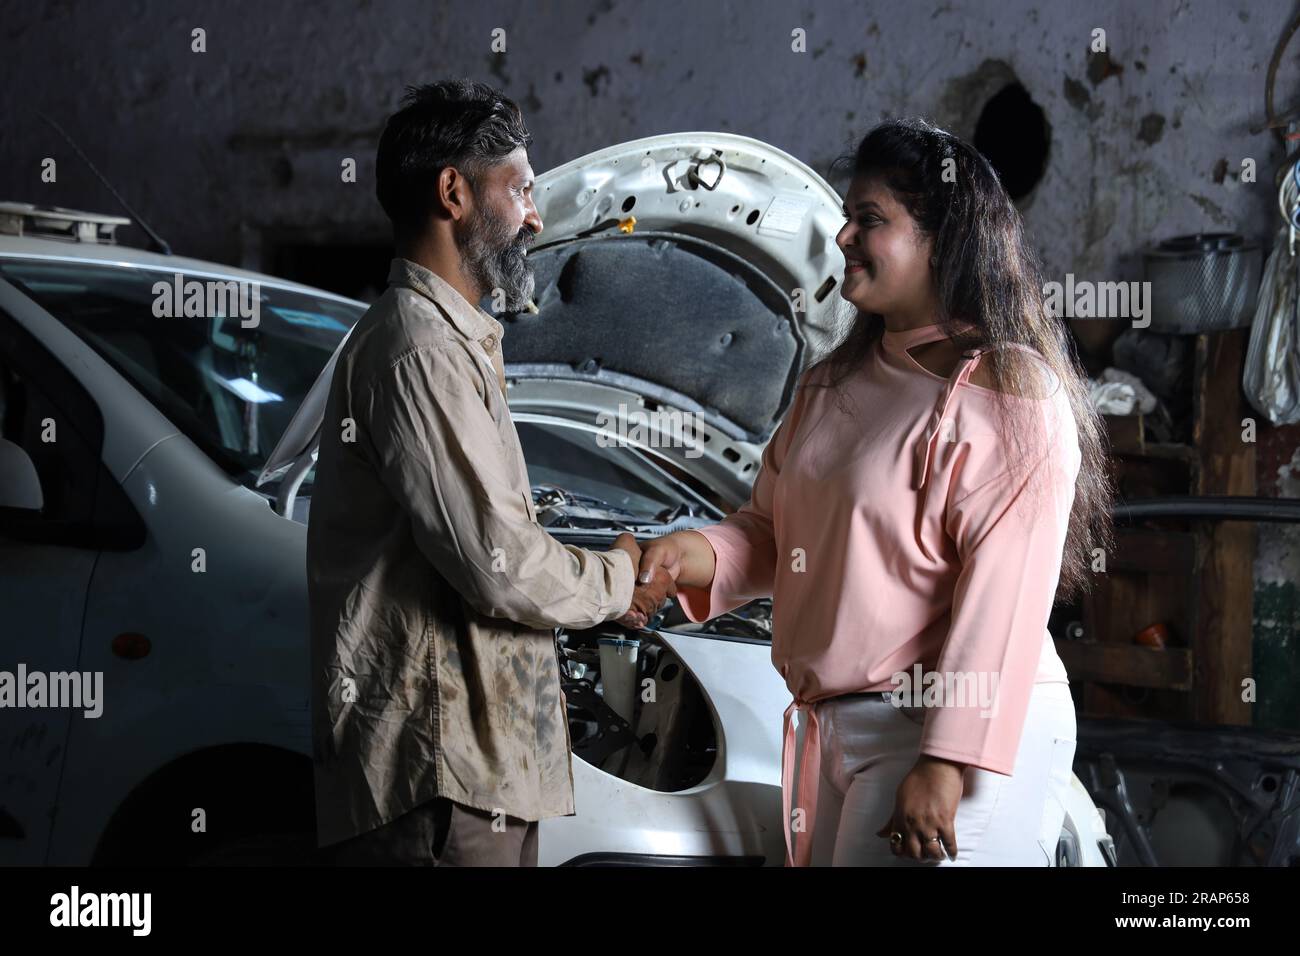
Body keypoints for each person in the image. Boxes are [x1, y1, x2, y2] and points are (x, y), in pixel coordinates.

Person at [636, 118, 1115, 866]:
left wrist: (947, 762)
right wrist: (683, 555)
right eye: (846, 217)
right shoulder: (833, 383)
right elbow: (770, 533)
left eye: (871, 220)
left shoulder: (1008, 389)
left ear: (943, 240)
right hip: (837, 728)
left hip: (945, 732)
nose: (844, 237)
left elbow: (1007, 592)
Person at [308, 80, 673, 867]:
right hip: (439, 775)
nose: (536, 215)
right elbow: (496, 564)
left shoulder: (450, 339)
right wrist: (618, 579)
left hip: (470, 771)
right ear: (453, 192)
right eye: (521, 189)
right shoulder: (421, 350)